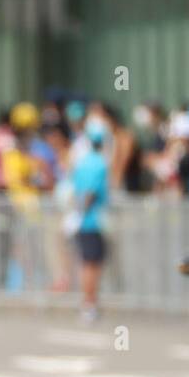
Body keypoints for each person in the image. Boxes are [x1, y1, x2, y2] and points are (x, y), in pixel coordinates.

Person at [66, 124, 111, 322]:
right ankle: (89, 303)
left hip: (83, 219)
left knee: (87, 263)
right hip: (92, 221)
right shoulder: (99, 163)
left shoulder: (82, 162)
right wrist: (82, 212)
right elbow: (90, 193)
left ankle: (88, 303)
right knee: (91, 265)